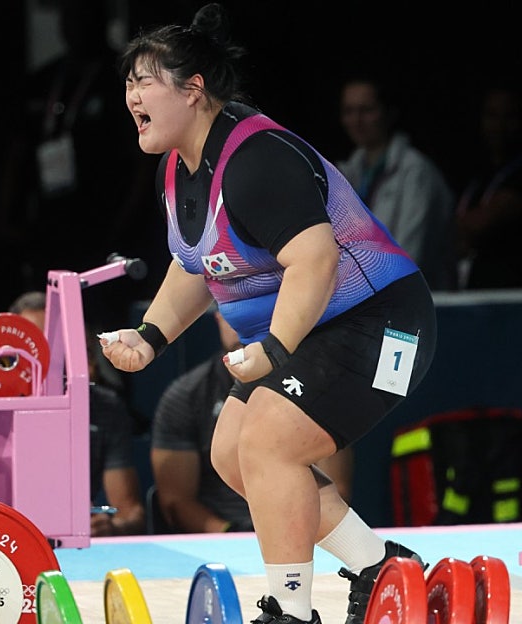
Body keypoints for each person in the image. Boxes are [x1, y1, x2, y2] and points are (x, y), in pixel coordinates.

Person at [100, 5, 437, 623]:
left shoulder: (258, 160)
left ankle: (290, 609)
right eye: (128, 82)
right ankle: (379, 565)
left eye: (145, 80)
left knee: (269, 442)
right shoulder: (177, 171)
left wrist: (276, 349)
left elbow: (316, 258)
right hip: (317, 328)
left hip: (386, 323)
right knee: (232, 452)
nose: (130, 96)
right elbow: (197, 263)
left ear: (194, 89)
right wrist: (151, 335)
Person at [0, 0, 162, 330]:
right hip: (48, 222)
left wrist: (127, 219)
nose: (75, 26)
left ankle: (104, 377)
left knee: (100, 313)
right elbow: (18, 151)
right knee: (47, 307)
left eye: (84, 17)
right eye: (69, 18)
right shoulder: (46, 79)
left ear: (100, 20)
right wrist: (7, 212)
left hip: (102, 222)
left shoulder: (122, 81)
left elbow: (143, 156)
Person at [0, 291, 146, 537]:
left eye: (64, 349)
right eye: (38, 347)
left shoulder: (105, 408)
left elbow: (130, 513)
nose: (52, 361)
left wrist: (112, 527)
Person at [152, 305, 355, 534]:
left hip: (302, 526)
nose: (244, 324)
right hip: (226, 534)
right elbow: (176, 501)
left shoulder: (315, 386)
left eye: (253, 310)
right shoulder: (186, 396)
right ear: (218, 318)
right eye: (233, 313)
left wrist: (291, 531)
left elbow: (338, 487)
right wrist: (232, 533)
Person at [337, 75, 457, 292]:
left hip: (422, 308)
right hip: (371, 306)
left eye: (366, 110)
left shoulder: (416, 172)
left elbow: (410, 259)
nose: (356, 121)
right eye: (349, 111)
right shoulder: (347, 174)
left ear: (389, 113)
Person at [454, 81, 522, 289]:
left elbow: (479, 223)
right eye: (491, 115)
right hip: (473, 289)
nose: (498, 126)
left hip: (518, 290)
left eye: (509, 116)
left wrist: (444, 230)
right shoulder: (478, 175)